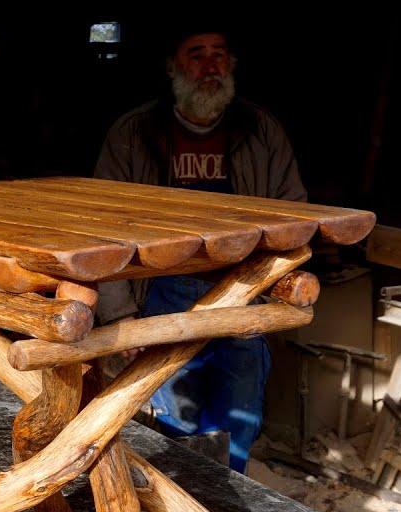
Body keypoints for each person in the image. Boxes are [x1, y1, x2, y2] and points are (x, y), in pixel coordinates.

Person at [92, 22, 306, 473]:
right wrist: (119, 314)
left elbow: (295, 215)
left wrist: (269, 288)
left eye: (219, 54)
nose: (210, 65)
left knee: (238, 414)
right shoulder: (135, 132)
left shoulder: (260, 130)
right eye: (196, 54)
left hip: (240, 290)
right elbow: (101, 228)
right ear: (172, 67)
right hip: (161, 294)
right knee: (174, 420)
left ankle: (225, 508)